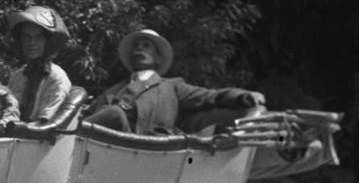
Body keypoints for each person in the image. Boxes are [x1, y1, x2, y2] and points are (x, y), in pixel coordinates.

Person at [85, 29, 266, 134]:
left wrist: (243, 96)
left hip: (144, 150)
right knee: (109, 113)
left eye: (146, 46)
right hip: (102, 146)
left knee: (114, 113)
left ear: (158, 59)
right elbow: (88, 116)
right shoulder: (111, 91)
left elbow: (210, 96)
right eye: (136, 47)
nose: (138, 49)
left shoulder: (171, 87)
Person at [6, 5, 73, 123]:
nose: (32, 43)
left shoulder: (57, 78)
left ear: (48, 41)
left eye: (39, 37)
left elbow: (44, 123)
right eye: (26, 37)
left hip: (34, 139)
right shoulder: (17, 76)